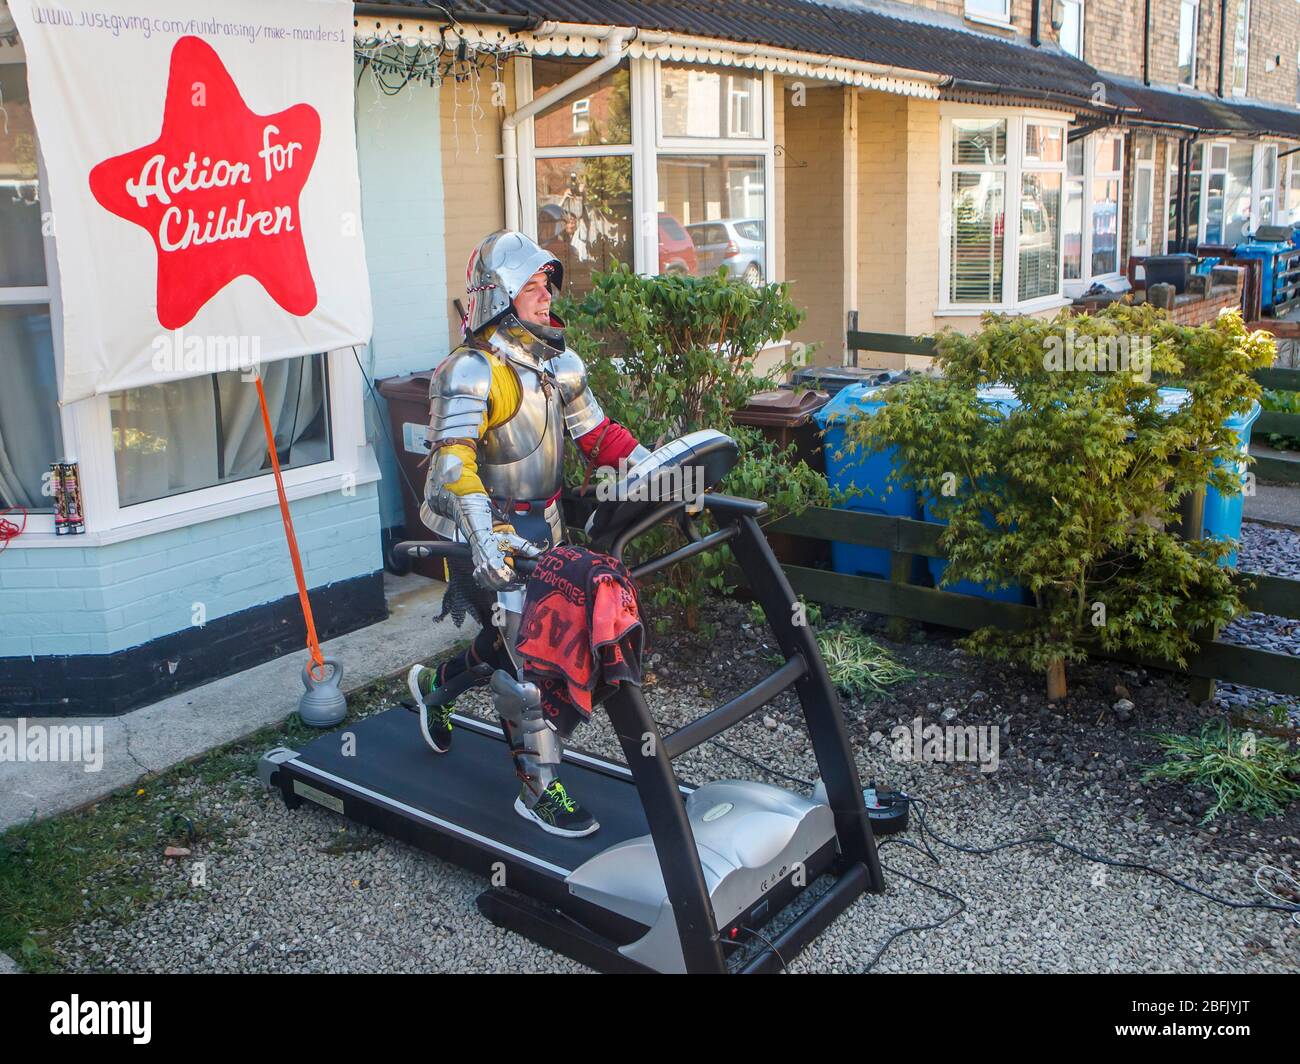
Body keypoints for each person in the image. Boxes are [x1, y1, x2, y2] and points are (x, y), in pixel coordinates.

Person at [407, 229, 650, 838]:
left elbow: (599, 438)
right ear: (498, 296)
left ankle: (436, 687)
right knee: (529, 666)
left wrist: (663, 476)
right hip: (476, 528)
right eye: (532, 288)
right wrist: (485, 541)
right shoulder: (469, 371)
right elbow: (453, 463)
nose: (546, 300)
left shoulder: (559, 364)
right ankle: (537, 791)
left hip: (544, 525)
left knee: (508, 643)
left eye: (548, 287)